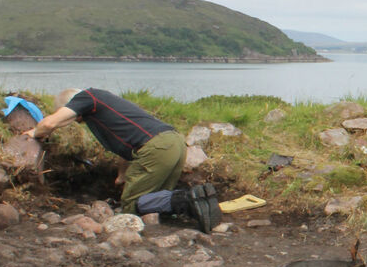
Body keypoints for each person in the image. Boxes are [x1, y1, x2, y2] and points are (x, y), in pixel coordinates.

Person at [25, 87, 222, 233]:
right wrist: (122, 175)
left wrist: (34, 133)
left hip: (157, 147)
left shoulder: (86, 97)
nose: (78, 122)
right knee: (158, 197)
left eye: (77, 119)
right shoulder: (106, 109)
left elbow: (50, 123)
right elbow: (127, 149)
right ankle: (199, 202)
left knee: (132, 205)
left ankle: (188, 199)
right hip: (174, 143)